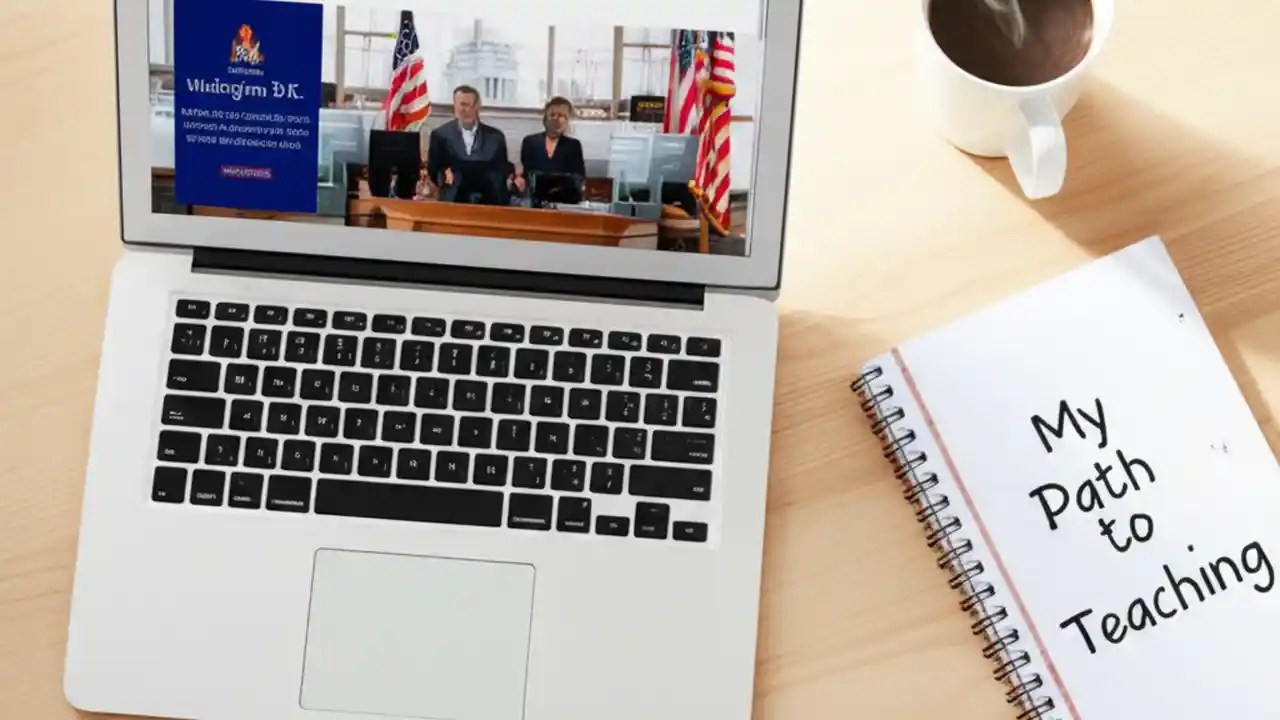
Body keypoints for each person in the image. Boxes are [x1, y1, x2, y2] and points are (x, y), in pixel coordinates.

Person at [426, 85, 521, 204]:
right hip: (452, 201)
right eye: (462, 105)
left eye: (470, 105)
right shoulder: (440, 135)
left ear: (477, 106)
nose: (466, 110)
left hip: (489, 202)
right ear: (454, 106)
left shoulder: (496, 137)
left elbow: (501, 170)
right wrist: (444, 175)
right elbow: (433, 170)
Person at [520, 97, 586, 205]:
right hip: (535, 201)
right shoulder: (530, 142)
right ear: (545, 118)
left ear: (567, 120)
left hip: (565, 202)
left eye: (561, 116)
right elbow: (529, 172)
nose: (556, 119)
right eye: (552, 115)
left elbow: (579, 177)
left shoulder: (574, 145)